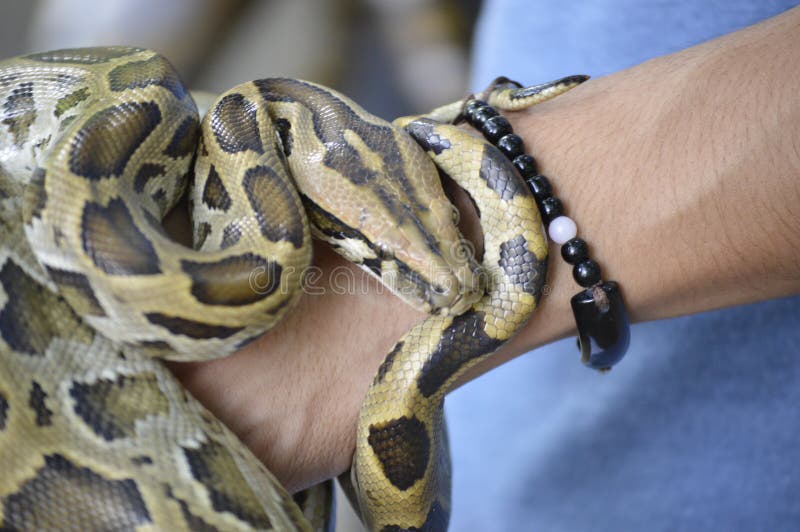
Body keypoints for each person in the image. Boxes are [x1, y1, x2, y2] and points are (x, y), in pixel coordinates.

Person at [170, 2, 800, 529]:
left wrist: (365, 330)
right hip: (527, 461)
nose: (452, 286)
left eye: (450, 217)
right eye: (386, 260)